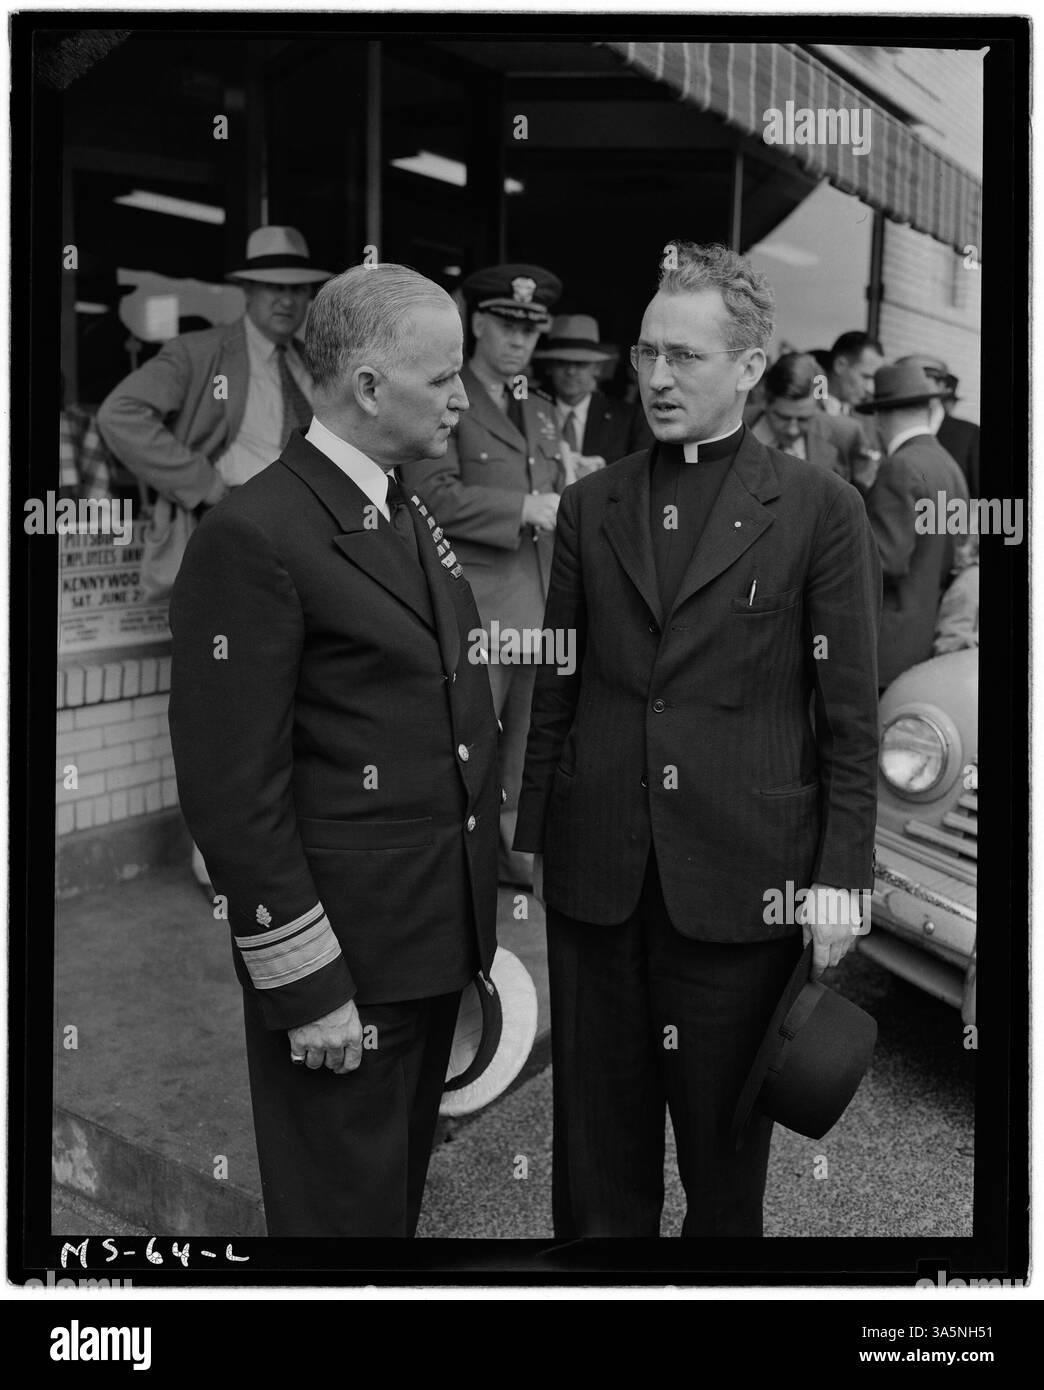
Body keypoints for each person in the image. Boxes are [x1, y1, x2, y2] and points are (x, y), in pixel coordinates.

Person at [515, 241, 882, 1238]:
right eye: (646, 354)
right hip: (600, 878)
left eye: (686, 356)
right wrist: (524, 842)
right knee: (595, 1148)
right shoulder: (594, 505)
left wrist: (844, 875)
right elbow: (558, 680)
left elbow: (848, 709)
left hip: (743, 879)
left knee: (724, 1160)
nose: (660, 377)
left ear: (751, 365)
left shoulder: (820, 510)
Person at [167, 263, 499, 1237]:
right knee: (334, 1228)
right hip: (342, 964)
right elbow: (234, 790)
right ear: (366, 386)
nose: (464, 396)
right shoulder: (256, 532)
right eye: (443, 378)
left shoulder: (400, 506)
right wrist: (306, 984)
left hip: (426, 944)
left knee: (385, 1212)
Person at [98, 225, 332, 895]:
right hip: (227, 546)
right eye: (274, 288)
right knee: (227, 706)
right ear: (247, 291)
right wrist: (205, 487)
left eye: (299, 290)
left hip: (302, 547)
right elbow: (121, 413)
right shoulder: (199, 351)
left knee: (294, 698)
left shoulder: (308, 362)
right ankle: (221, 865)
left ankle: (281, 850)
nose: (287, 302)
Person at [399, 263, 566, 889]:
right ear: (477, 322)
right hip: (479, 604)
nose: (519, 341)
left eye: (531, 329)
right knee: (466, 740)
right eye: (506, 325)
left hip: (540, 601)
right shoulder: (446, 395)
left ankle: (509, 854)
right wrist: (520, 508)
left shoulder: (541, 411)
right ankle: (448, 863)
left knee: (526, 745)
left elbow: (550, 493)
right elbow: (428, 494)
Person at [856, 361, 971, 688]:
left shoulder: (901, 466)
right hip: (924, 642)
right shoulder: (949, 467)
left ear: (880, 417)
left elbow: (883, 562)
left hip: (886, 645)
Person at [533, 314, 652, 469]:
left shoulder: (629, 419)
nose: (570, 371)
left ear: (597, 368)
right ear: (549, 367)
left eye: (580, 364)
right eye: (562, 362)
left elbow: (641, 476)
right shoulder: (530, 410)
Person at [748, 351, 878, 491]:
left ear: (819, 403)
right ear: (765, 401)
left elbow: (866, 500)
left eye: (804, 419)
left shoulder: (846, 434)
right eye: (783, 417)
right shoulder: (734, 423)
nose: (793, 430)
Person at [896, 354, 980, 496]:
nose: (913, 390)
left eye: (923, 380)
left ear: (941, 386)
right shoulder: (884, 428)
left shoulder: (969, 435)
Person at [821, 330, 885, 415]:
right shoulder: (803, 413)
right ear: (840, 366)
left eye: (873, 379)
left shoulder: (868, 419)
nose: (870, 389)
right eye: (865, 377)